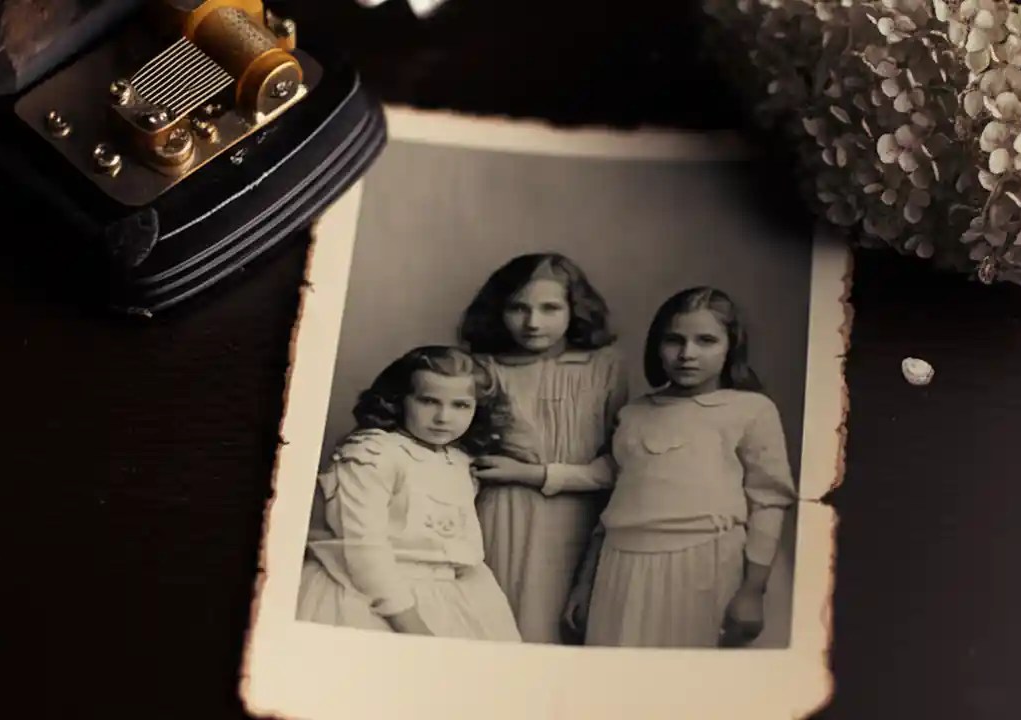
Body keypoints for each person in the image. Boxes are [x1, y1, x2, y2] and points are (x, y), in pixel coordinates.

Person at [565, 287, 797, 648]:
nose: (688, 354)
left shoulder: (751, 410)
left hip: (705, 563)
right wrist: (585, 583)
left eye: (706, 341)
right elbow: (616, 503)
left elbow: (769, 502)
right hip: (623, 567)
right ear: (658, 346)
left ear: (730, 347)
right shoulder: (635, 413)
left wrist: (753, 591)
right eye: (674, 340)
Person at [457, 253, 628, 644]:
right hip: (500, 515)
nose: (533, 322)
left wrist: (538, 473)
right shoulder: (481, 368)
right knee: (499, 627)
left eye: (550, 308)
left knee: (562, 630)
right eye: (519, 308)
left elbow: (619, 462)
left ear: (575, 310)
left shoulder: (605, 366)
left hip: (579, 517)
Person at [296, 346, 521, 642]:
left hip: (445, 596)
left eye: (461, 405)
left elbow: (460, 548)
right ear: (399, 400)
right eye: (428, 401)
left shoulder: (458, 459)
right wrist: (411, 626)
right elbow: (364, 548)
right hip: (375, 595)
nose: (443, 417)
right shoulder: (372, 453)